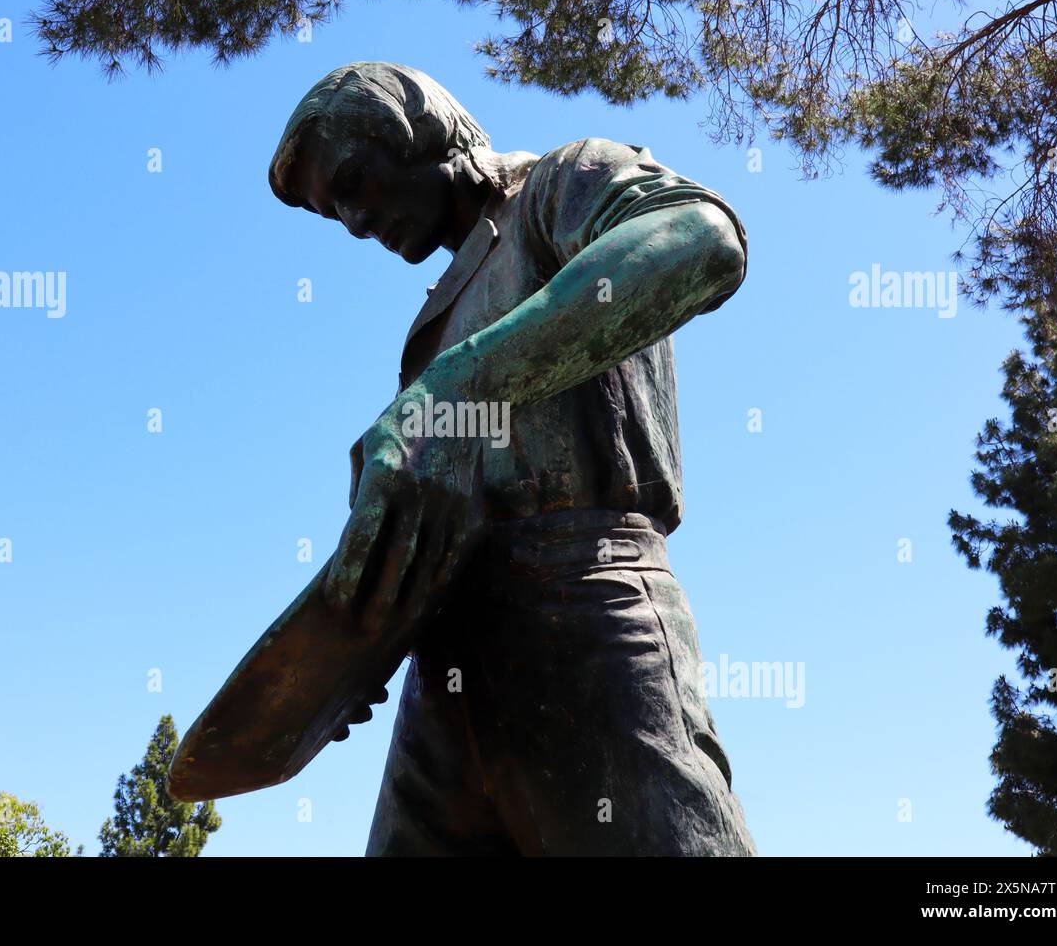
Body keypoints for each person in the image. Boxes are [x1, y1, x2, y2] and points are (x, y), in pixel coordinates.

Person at [268, 61, 756, 855]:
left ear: (418, 130)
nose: (356, 222)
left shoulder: (565, 180)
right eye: (335, 214)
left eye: (354, 184)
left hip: (584, 613)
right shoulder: (433, 317)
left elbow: (702, 241)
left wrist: (454, 387)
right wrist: (354, 644)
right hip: (443, 680)